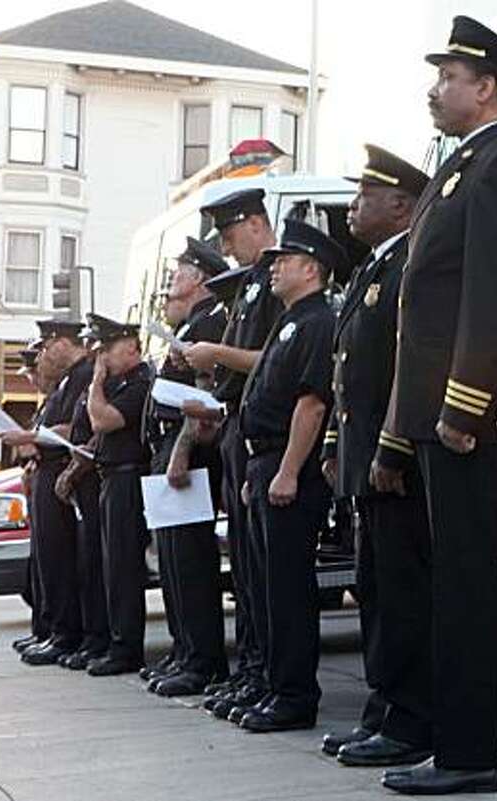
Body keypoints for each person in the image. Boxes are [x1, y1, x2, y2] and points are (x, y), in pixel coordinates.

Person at [374, 15, 497, 796]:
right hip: (435, 423)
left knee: (470, 589)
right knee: (448, 587)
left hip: (467, 423)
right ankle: (451, 744)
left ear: (486, 88)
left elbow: (494, 299)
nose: (434, 88)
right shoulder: (461, 167)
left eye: (448, 76)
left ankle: (472, 754)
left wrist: (464, 407)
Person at [316, 145, 433, 767]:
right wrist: (340, 446)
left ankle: (411, 719)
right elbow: (348, 370)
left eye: (364, 196)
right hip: (365, 458)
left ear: (401, 205)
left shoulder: (411, 262)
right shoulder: (373, 268)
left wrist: (386, 448)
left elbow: (403, 368)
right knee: (376, 592)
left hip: (397, 460)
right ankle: (383, 710)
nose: (353, 207)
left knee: (402, 596)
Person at [236, 219, 345, 732]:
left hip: (287, 467)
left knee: (287, 592)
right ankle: (273, 687)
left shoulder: (318, 321)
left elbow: (312, 404)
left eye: (285, 259)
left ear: (312, 269)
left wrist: (286, 471)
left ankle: (294, 695)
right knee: (263, 589)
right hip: (266, 464)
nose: (273, 266)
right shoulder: (289, 321)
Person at [180, 188, 283, 721]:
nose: (227, 246)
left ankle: (271, 676)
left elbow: (273, 357)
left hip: (262, 431)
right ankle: (253, 671)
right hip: (236, 429)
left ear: (257, 225)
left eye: (230, 234)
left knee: (265, 571)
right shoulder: (248, 288)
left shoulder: (273, 282)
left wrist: (217, 353)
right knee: (245, 567)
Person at [140, 238, 231, 696]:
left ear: (199, 277)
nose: (172, 281)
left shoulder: (212, 319)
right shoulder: (192, 323)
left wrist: (180, 449)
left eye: (179, 273)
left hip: (191, 448)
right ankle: (185, 651)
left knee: (191, 560)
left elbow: (204, 396)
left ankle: (203, 660)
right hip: (171, 447)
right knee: (173, 559)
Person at [4, 319, 95, 666]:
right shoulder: (66, 383)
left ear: (62, 343)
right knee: (48, 559)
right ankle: (53, 630)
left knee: (61, 558)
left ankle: (66, 633)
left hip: (65, 472)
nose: (42, 356)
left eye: (46, 346)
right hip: (47, 470)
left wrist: (28, 438)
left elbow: (74, 427)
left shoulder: (84, 374)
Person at [84, 314, 155, 677]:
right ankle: (118, 642)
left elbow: (103, 420)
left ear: (129, 349)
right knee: (113, 567)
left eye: (106, 353)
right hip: (112, 478)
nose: (102, 362)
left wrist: (96, 381)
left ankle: (126, 648)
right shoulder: (123, 382)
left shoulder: (139, 383)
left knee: (125, 568)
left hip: (129, 479)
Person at [53, 325, 111, 671]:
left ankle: (104, 639)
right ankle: (92, 639)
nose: (95, 350)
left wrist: (73, 470)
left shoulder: (96, 379)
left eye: (101, 345)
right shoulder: (86, 380)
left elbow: (98, 428)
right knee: (87, 565)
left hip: (96, 477)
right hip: (86, 480)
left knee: (100, 566)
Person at [11, 339, 54, 656]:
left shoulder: (65, 392)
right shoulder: (48, 401)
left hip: (57, 480)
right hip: (40, 478)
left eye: (34, 373)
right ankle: (44, 629)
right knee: (41, 565)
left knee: (55, 564)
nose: (33, 381)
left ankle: (55, 631)